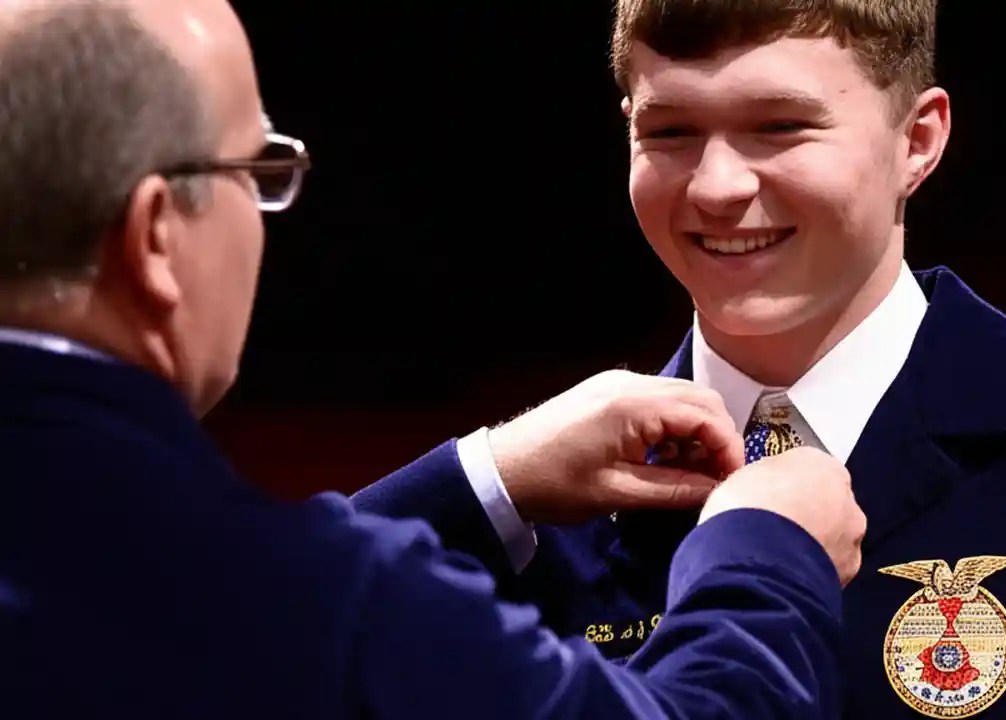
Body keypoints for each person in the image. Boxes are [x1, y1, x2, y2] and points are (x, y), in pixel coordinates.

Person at [356, 1, 1006, 718]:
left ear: (917, 140)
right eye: (669, 132)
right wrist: (493, 480)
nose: (717, 186)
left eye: (780, 127)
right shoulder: (535, 508)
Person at [0, 0, 872, 717]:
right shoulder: (294, 597)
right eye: (259, 172)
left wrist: (484, 479)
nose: (719, 187)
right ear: (156, 236)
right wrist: (767, 554)